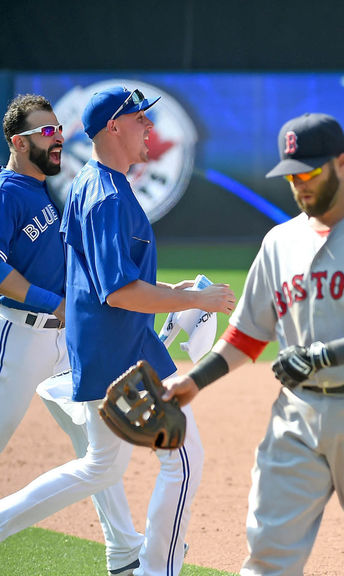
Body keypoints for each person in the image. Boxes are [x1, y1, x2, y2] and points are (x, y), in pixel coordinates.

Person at [163, 112, 344, 575]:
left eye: (309, 173)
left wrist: (320, 356)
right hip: (297, 416)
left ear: (341, 163)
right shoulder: (280, 241)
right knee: (267, 556)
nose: (300, 186)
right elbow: (248, 335)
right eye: (292, 176)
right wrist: (193, 382)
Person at [0, 86, 236, 576]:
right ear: (114, 127)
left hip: (104, 348)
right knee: (183, 458)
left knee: (100, 467)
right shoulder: (106, 195)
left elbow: (98, 278)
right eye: (140, 120)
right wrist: (195, 300)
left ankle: (136, 560)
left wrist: (173, 289)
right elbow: (119, 293)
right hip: (116, 356)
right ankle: (155, 568)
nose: (150, 127)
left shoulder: (90, 182)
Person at [0, 93, 145, 575]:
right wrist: (52, 303)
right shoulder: (7, 192)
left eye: (59, 128)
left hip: (64, 341)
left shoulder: (41, 189)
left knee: (95, 446)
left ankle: (124, 550)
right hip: (20, 339)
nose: (57, 137)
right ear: (19, 143)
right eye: (46, 131)